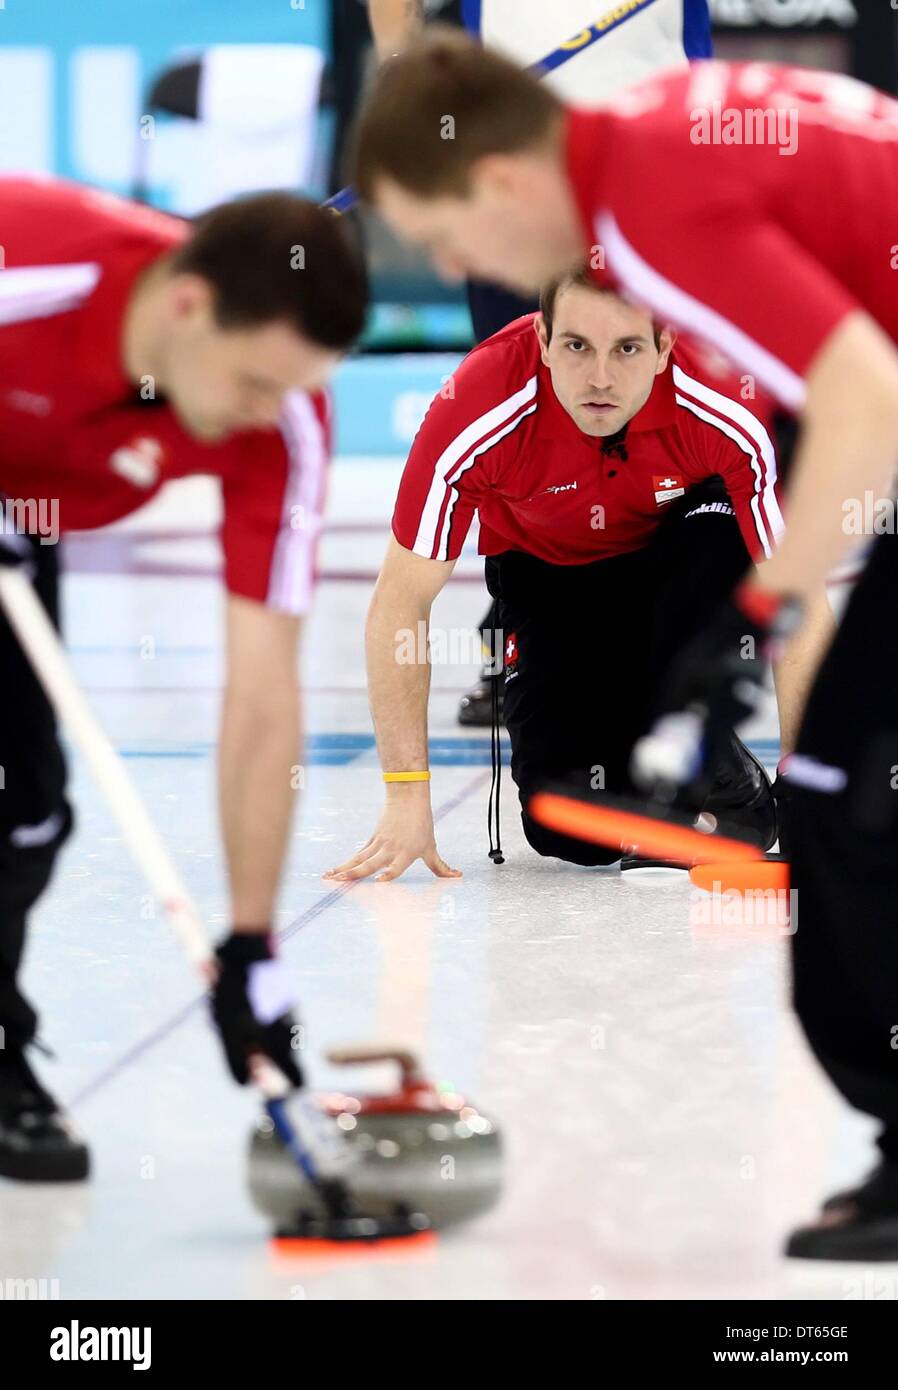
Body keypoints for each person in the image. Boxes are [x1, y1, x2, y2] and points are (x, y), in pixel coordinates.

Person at [351, 30, 898, 1257]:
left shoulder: (648, 216)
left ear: (494, 180)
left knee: (849, 819)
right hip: (582, 573)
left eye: (441, 235)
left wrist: (762, 615)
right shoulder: (651, 143)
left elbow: (862, 399)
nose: (449, 265)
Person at [0, 178, 368, 1181]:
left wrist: (253, 941)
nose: (268, 413)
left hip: (21, 516)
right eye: (253, 384)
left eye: (290, 391)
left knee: (26, 817)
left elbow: (261, 695)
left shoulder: (280, 420)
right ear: (187, 306)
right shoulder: (29, 266)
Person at [324, 273, 833, 883]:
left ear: (666, 345)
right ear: (540, 339)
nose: (599, 377)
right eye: (576, 346)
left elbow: (796, 597)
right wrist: (406, 795)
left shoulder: (726, 402)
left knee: (706, 574)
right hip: (550, 568)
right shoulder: (477, 408)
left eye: (626, 349)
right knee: (566, 828)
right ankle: (697, 771)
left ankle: (699, 744)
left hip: (687, 541)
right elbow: (401, 604)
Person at [368, 0, 714, 729]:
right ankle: (523, 640)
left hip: (655, 138)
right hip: (507, 148)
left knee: (663, 391)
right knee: (529, 396)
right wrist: (405, 92)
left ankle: (687, 652)